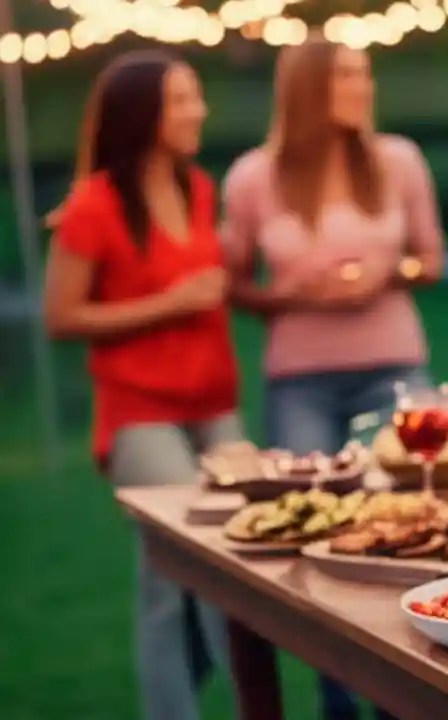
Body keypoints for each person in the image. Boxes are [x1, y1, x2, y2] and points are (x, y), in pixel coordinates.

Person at [221, 37, 445, 720]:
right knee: (313, 537)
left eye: (364, 74)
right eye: (348, 75)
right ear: (309, 88)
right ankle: (336, 695)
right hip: (302, 379)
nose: (362, 85)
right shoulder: (254, 177)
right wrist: (291, 296)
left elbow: (430, 260)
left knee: (412, 526)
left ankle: (403, 694)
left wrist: (390, 274)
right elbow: (232, 283)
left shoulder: (398, 160)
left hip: (395, 368)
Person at [43, 51, 240, 720]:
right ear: (144, 115)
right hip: (139, 410)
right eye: (183, 100)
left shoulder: (199, 188)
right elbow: (61, 317)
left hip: (213, 404)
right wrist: (171, 303)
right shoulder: (93, 206)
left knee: (231, 572)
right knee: (184, 572)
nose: (199, 111)